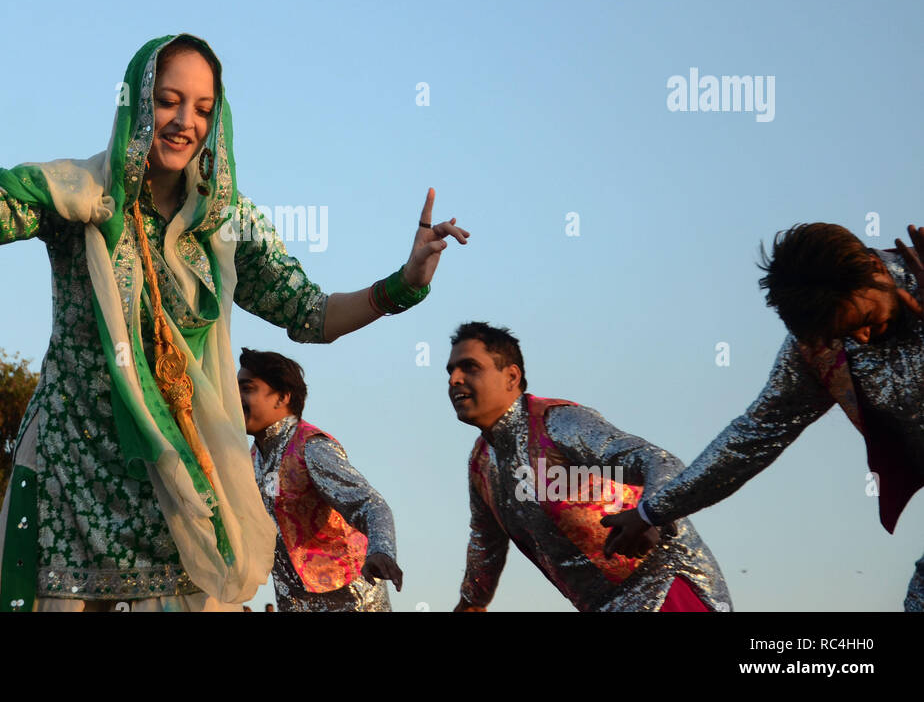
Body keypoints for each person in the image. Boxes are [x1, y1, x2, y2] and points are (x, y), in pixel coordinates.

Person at [0, 34, 469, 612]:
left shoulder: (226, 226)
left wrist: (403, 285)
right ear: (137, 104)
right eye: (167, 101)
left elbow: (310, 315)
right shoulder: (77, 196)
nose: (183, 121)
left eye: (200, 106)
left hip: (178, 477)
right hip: (70, 469)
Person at [603, 223, 924, 610]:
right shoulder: (817, 348)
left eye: (864, 320)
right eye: (846, 333)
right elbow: (753, 438)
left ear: (875, 268)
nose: (863, 339)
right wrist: (652, 511)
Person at [447, 323, 732, 612]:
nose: (454, 379)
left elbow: (659, 460)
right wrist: (470, 604)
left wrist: (651, 515)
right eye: (450, 371)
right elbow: (486, 544)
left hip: (665, 591)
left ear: (511, 376)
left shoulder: (557, 422)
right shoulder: (480, 463)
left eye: (469, 367)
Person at [239, 348, 402, 611]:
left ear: (282, 397)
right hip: (293, 601)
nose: (234, 398)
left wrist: (381, 551)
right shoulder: (252, 458)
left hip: (350, 599)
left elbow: (370, 504)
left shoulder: (311, 448)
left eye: (246, 389)